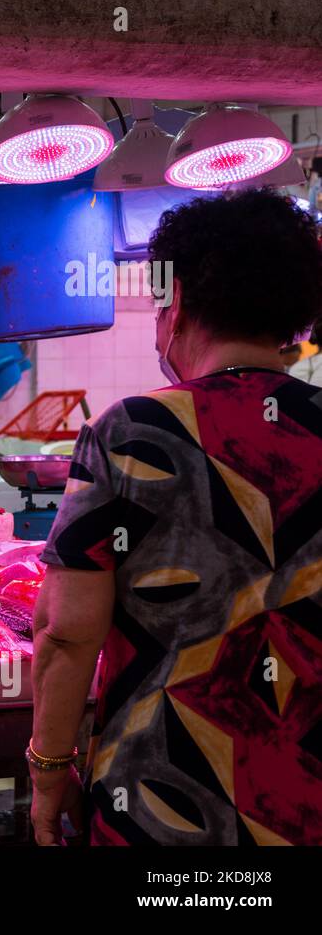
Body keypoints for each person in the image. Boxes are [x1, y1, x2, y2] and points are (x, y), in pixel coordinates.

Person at [29, 189, 322, 845]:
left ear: (180, 302)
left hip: (160, 807)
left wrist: (50, 771)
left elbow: (67, 631)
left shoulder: (131, 432)